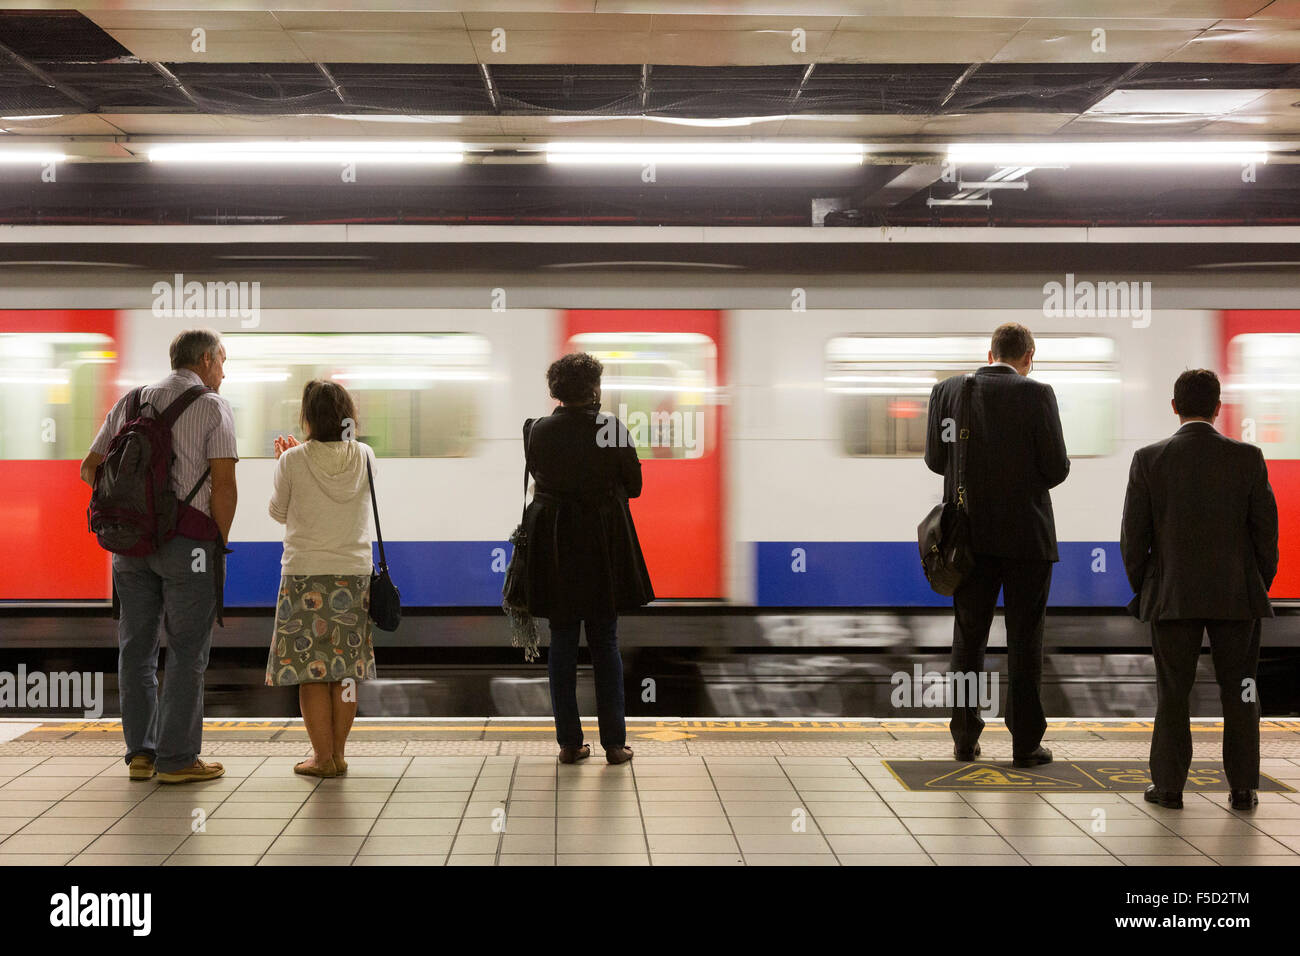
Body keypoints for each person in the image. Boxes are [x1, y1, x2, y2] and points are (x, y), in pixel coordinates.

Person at [80, 328, 237, 784]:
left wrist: (133, 505)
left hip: (129, 546)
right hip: (189, 546)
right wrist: (216, 543)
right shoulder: (212, 406)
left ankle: (142, 755)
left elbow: (89, 468)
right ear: (206, 360)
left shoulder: (130, 401)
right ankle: (178, 761)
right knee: (187, 652)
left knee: (136, 648)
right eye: (223, 362)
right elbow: (224, 485)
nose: (224, 373)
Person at [1121, 369, 1278, 812]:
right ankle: (1244, 788)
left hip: (1172, 595)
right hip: (1236, 596)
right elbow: (1267, 534)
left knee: (1173, 691)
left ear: (1175, 407)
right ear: (1218, 407)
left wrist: (1148, 587)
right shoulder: (1247, 457)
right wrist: (1254, 585)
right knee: (1242, 689)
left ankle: (1169, 788)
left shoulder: (1149, 459)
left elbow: (1134, 539)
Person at [924, 322, 1070, 767]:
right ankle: (1026, 743)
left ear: (990, 354)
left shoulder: (948, 392)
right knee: (1026, 641)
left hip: (968, 538)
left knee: (969, 639)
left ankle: (965, 738)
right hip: (1028, 539)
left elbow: (935, 460)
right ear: (1029, 357)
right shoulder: (1037, 393)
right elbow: (1056, 468)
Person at [521, 352, 654, 765]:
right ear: (594, 389)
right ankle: (615, 744)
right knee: (604, 643)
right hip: (602, 549)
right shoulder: (610, 429)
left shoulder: (537, 430)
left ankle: (569, 744)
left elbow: (539, 482)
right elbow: (634, 487)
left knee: (562, 643)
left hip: (557, 549)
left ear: (555, 391)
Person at [265, 380, 377, 778]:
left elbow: (278, 512)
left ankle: (321, 757)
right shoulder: (365, 455)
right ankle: (340, 755)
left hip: (304, 576)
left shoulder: (292, 461)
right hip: (353, 575)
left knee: (311, 670)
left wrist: (287, 460)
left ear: (308, 418)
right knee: (344, 671)